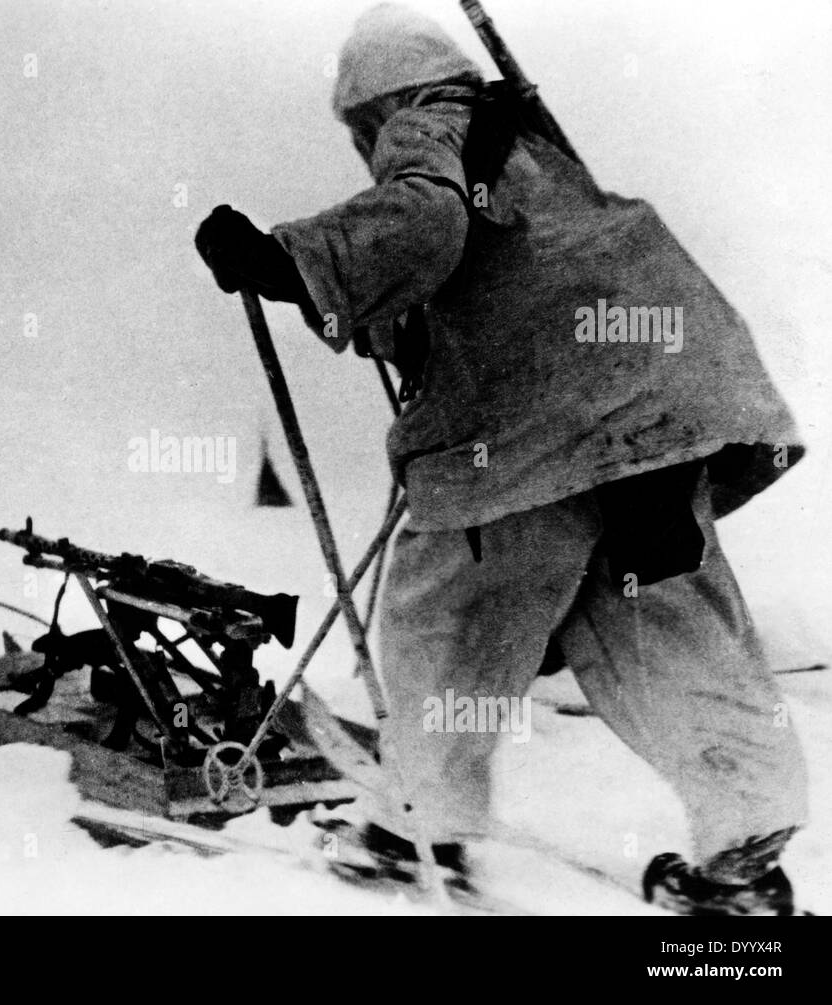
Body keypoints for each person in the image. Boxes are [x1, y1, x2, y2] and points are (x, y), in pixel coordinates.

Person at [194, 3, 807, 916]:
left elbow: (420, 227)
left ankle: (412, 829)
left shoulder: (426, 121)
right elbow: (494, 281)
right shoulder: (530, 152)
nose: (367, 143)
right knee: (666, 630)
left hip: (530, 440)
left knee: (446, 622)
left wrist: (285, 261)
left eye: (359, 128)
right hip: (657, 425)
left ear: (376, 103)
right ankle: (746, 856)